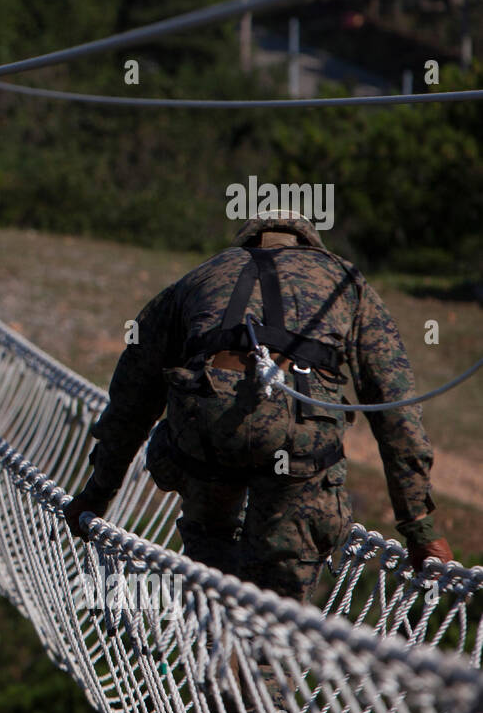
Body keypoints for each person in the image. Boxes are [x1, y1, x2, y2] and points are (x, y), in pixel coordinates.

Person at [65, 211, 453, 599]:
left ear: (245, 241)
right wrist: (418, 527)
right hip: (299, 435)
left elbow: (130, 400)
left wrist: (97, 495)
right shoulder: (346, 281)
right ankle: (268, 647)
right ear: (309, 244)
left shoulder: (200, 276)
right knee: (281, 584)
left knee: (210, 552)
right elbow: (395, 407)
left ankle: (213, 615)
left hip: (206, 431)